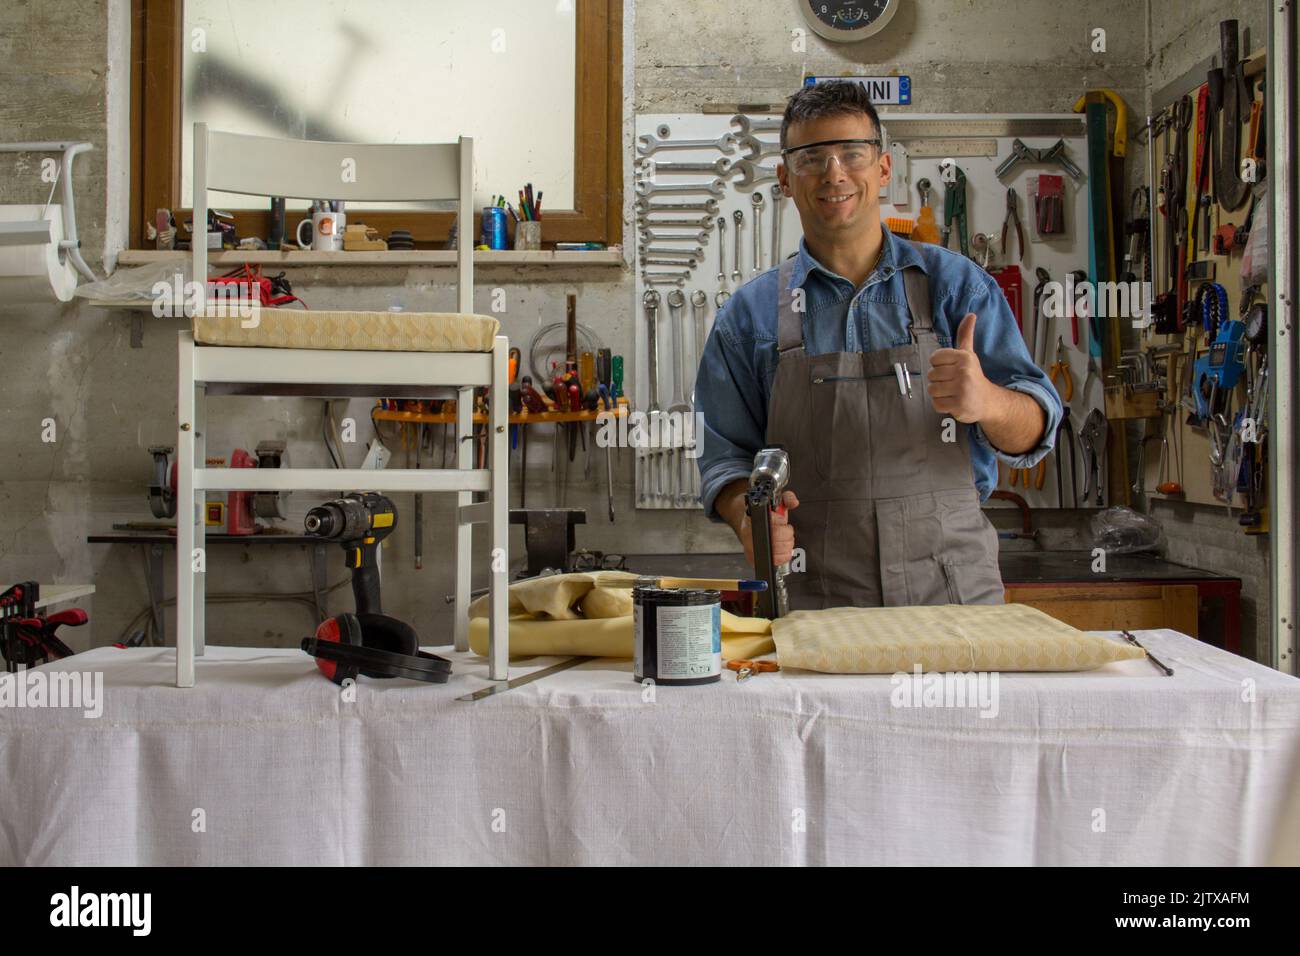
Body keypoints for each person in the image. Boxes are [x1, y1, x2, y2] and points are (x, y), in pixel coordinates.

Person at [695, 81, 1062, 610]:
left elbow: (1033, 429)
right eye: (811, 157)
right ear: (784, 179)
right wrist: (746, 519)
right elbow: (724, 456)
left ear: (884, 169)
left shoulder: (959, 288)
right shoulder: (748, 317)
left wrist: (988, 401)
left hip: (953, 596)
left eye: (852, 153)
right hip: (816, 598)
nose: (834, 173)